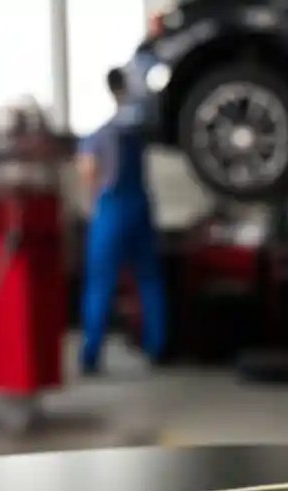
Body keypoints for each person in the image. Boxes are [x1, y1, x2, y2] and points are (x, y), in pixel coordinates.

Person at [77, 68, 168, 373]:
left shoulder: (100, 134)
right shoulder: (138, 132)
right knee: (149, 280)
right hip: (140, 204)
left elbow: (88, 172)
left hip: (112, 207)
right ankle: (158, 348)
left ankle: (91, 356)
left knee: (101, 282)